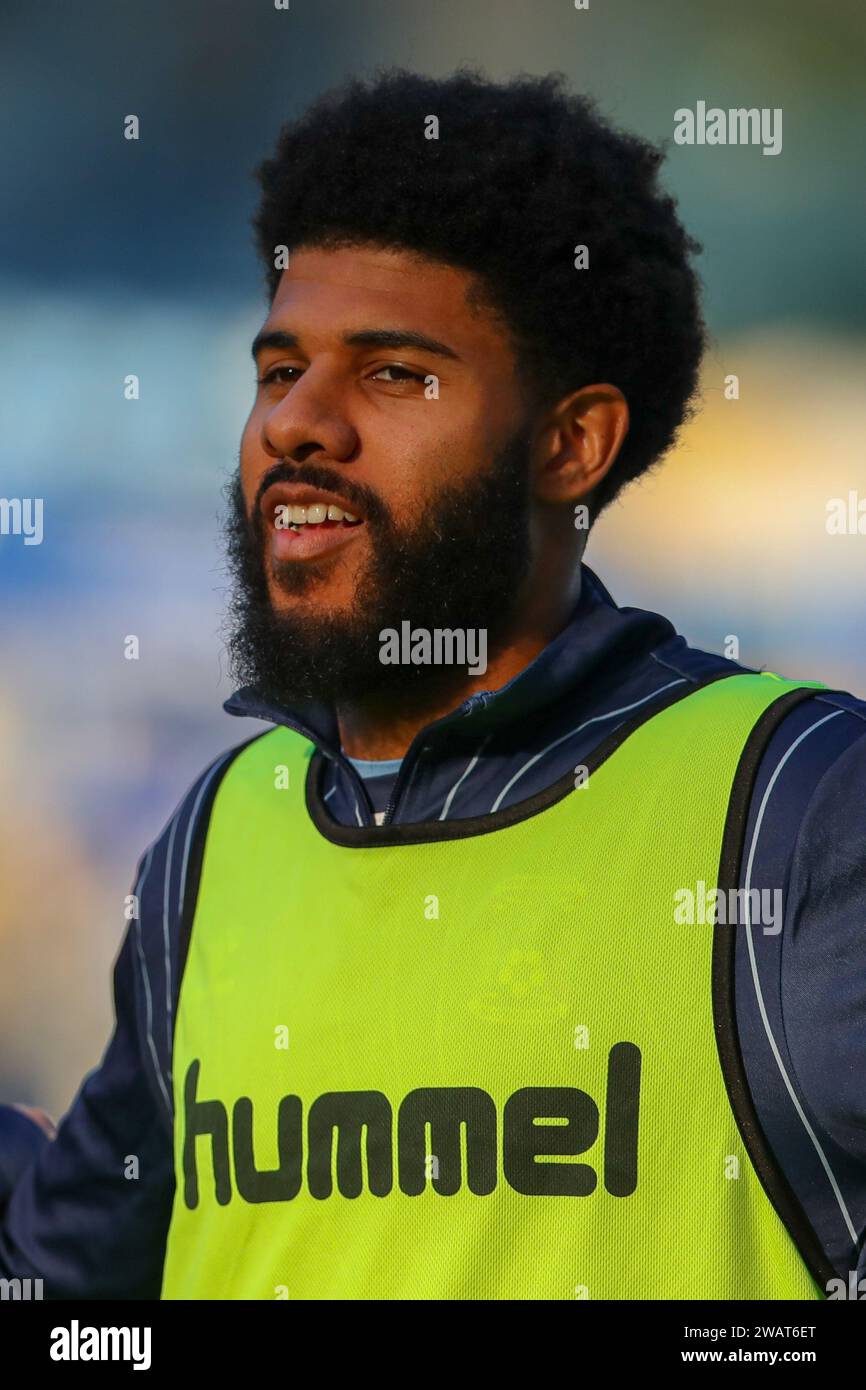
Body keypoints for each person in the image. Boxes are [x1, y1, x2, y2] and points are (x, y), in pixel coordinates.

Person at [2, 67, 864, 1301]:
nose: (298, 422)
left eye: (394, 374)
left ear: (572, 444)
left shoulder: (799, 808)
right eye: (278, 368)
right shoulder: (214, 836)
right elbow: (70, 1296)